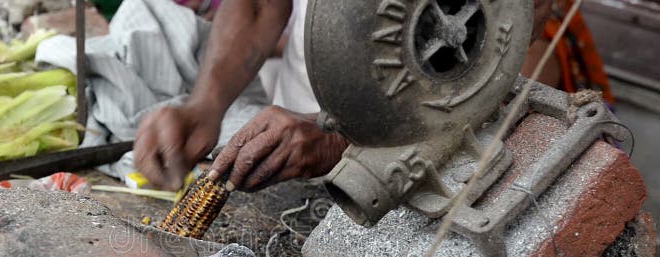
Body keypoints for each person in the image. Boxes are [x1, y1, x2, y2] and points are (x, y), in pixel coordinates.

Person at [134, 0, 554, 193]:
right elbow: (261, 6)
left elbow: (487, 71)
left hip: (420, 173)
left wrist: (345, 138)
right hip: (292, 154)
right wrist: (205, 105)